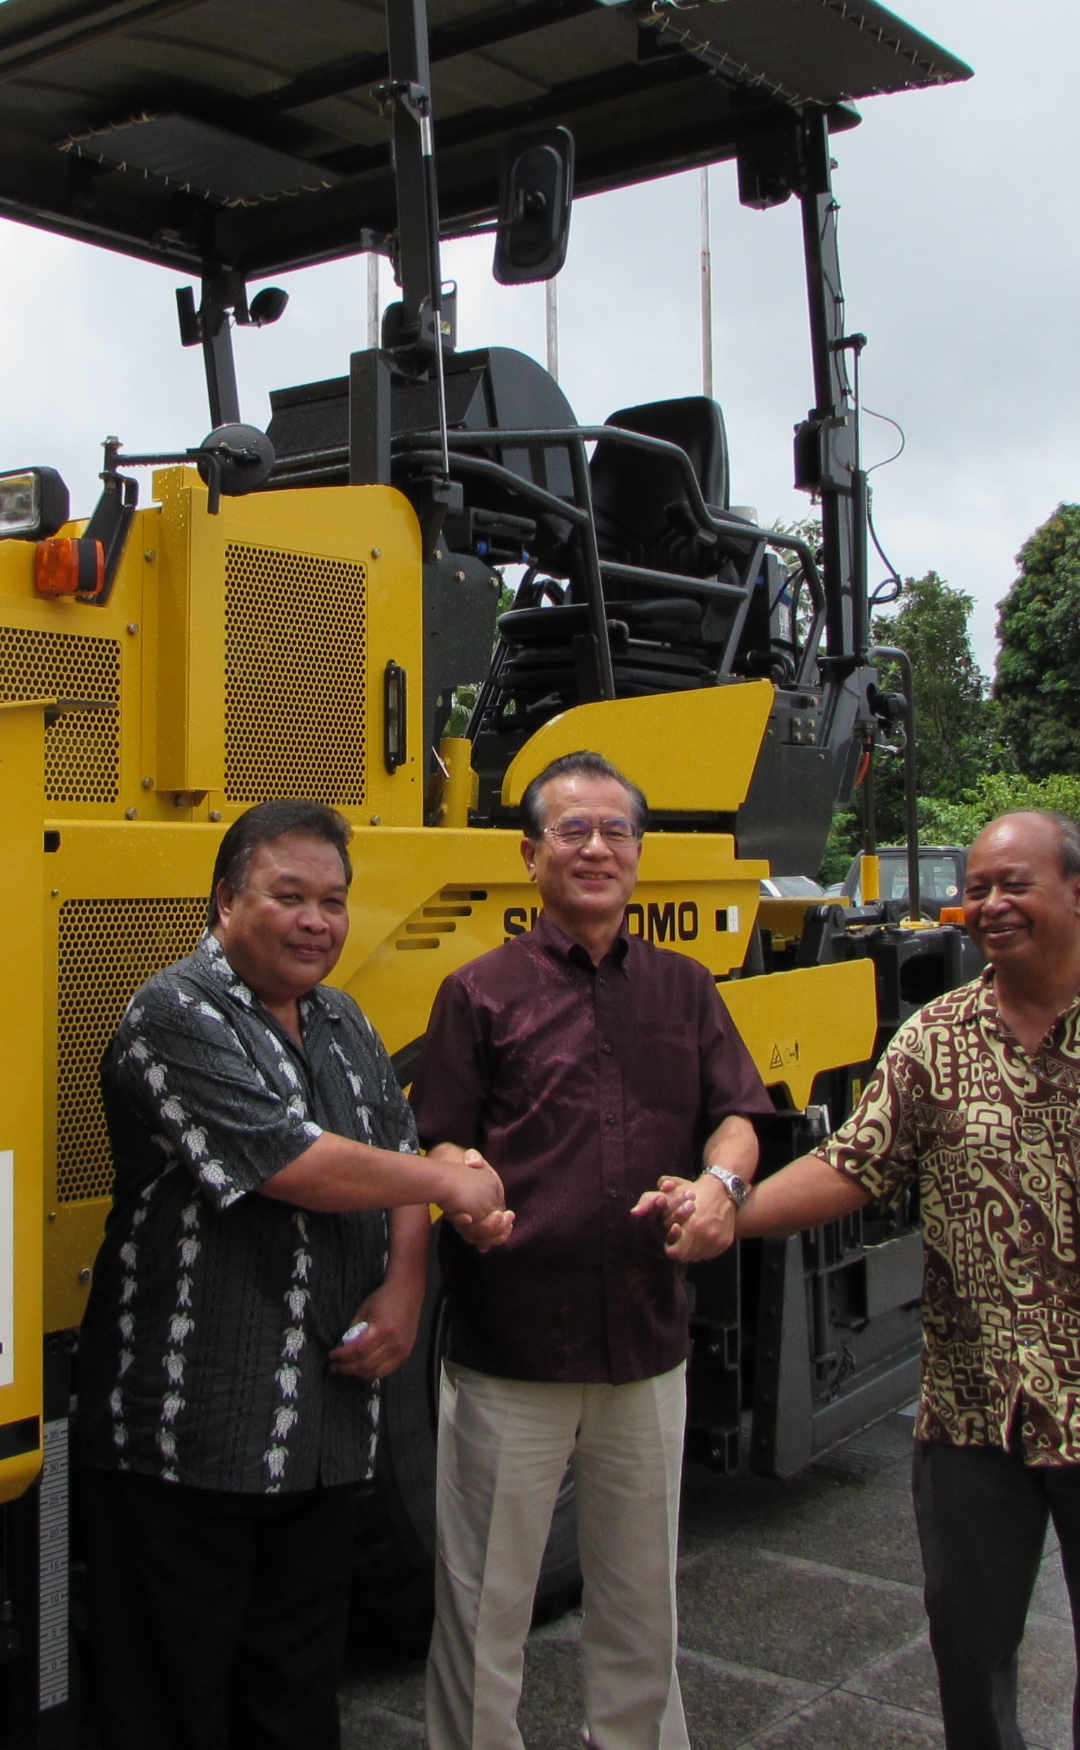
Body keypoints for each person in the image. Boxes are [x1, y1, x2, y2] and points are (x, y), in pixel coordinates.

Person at [680, 809, 1080, 1750]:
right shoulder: (936, 1038)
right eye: (976, 889)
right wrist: (730, 1214)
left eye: (1014, 885)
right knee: (969, 1665)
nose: (991, 906)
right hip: (974, 1416)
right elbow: (854, 1163)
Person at [75, 799, 513, 1750]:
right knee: (167, 1703)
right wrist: (453, 1182)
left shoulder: (342, 1016)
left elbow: (390, 1147)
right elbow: (289, 1162)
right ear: (227, 900)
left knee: (295, 1696)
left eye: (334, 900)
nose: (317, 921)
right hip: (192, 1433)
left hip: (320, 1433)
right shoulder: (173, 1013)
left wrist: (404, 1288)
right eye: (290, 896)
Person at [413, 750, 770, 1750]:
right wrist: (464, 1191)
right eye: (572, 831)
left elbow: (738, 1116)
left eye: (616, 831)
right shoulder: (475, 992)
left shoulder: (685, 989)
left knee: (641, 1609)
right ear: (529, 856)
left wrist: (719, 1189)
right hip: (512, 1346)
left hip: (647, 1344)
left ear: (640, 855)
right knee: (482, 1609)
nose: (597, 848)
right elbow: (440, 1135)